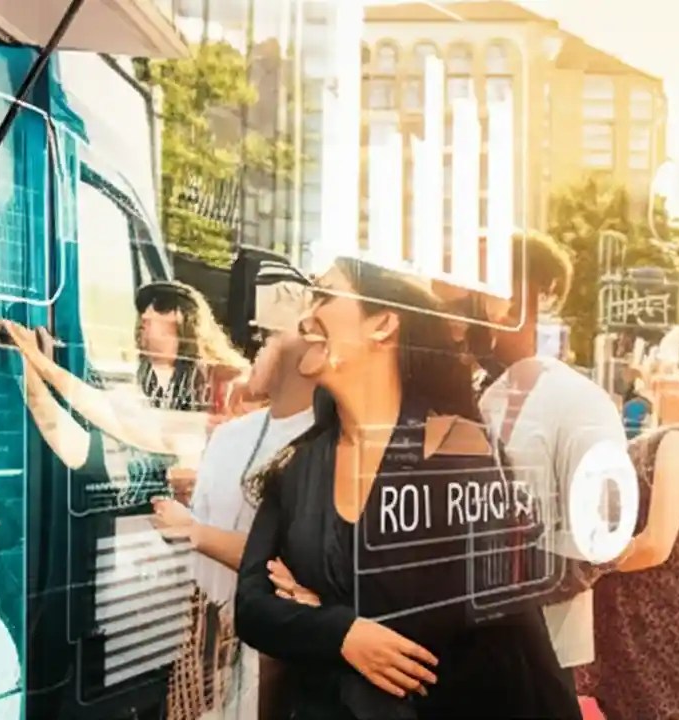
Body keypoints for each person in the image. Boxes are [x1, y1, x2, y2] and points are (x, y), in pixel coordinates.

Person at [233, 257, 577, 719]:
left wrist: (323, 608)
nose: (304, 317)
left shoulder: (457, 449)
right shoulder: (296, 467)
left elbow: (504, 622)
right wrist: (342, 631)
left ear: (382, 324)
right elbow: (252, 608)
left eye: (325, 295)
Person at [447, 233, 638, 693]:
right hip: (459, 664)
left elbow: (597, 547)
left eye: (477, 289)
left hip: (536, 669)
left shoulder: (578, 400)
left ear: (529, 299)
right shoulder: (470, 392)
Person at [151, 291, 317, 720]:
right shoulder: (230, 435)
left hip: (254, 646)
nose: (255, 353)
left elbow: (285, 563)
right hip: (202, 628)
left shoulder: (317, 447)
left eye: (267, 342)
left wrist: (193, 529)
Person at [574, 325, 679, 720]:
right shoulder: (669, 436)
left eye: (671, 353)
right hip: (645, 626)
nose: (655, 358)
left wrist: (581, 566)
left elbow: (655, 544)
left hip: (658, 636)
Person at [0, 281, 247, 505]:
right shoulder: (152, 378)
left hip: (196, 508)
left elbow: (119, 417)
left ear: (181, 322)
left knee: (73, 444)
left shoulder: (228, 384)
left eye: (156, 311)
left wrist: (35, 359)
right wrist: (30, 359)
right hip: (164, 494)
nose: (143, 322)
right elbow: (107, 409)